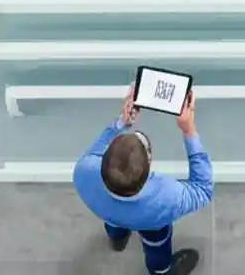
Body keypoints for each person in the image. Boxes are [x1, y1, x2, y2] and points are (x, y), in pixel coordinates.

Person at [73, 85, 212, 275]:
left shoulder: (83, 171)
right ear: (147, 171)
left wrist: (121, 122)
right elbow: (203, 191)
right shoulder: (165, 196)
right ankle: (161, 271)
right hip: (150, 221)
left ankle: (118, 239)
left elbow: (96, 147)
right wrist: (188, 131)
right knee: (157, 243)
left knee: (114, 221)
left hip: (108, 210)